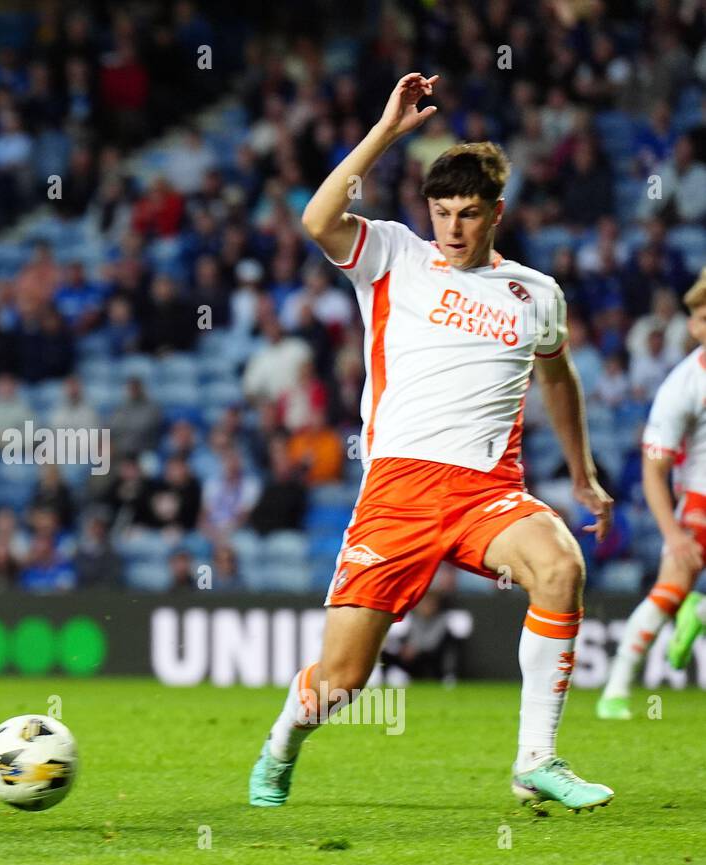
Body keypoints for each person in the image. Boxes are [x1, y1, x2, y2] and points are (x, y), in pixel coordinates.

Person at [249, 74, 615, 812]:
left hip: (487, 491)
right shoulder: (393, 256)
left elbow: (559, 379)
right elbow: (318, 220)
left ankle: (536, 761)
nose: (452, 228)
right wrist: (387, 132)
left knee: (559, 565)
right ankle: (282, 744)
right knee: (343, 681)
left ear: (496, 214)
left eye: (468, 213)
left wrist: (582, 474)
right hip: (398, 492)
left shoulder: (536, 294)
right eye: (441, 211)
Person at [599, 274, 706, 717]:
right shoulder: (681, 386)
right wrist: (673, 534)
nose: (704, 326)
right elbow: (652, 470)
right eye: (700, 318)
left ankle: (699, 614)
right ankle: (615, 691)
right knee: (667, 593)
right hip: (699, 503)